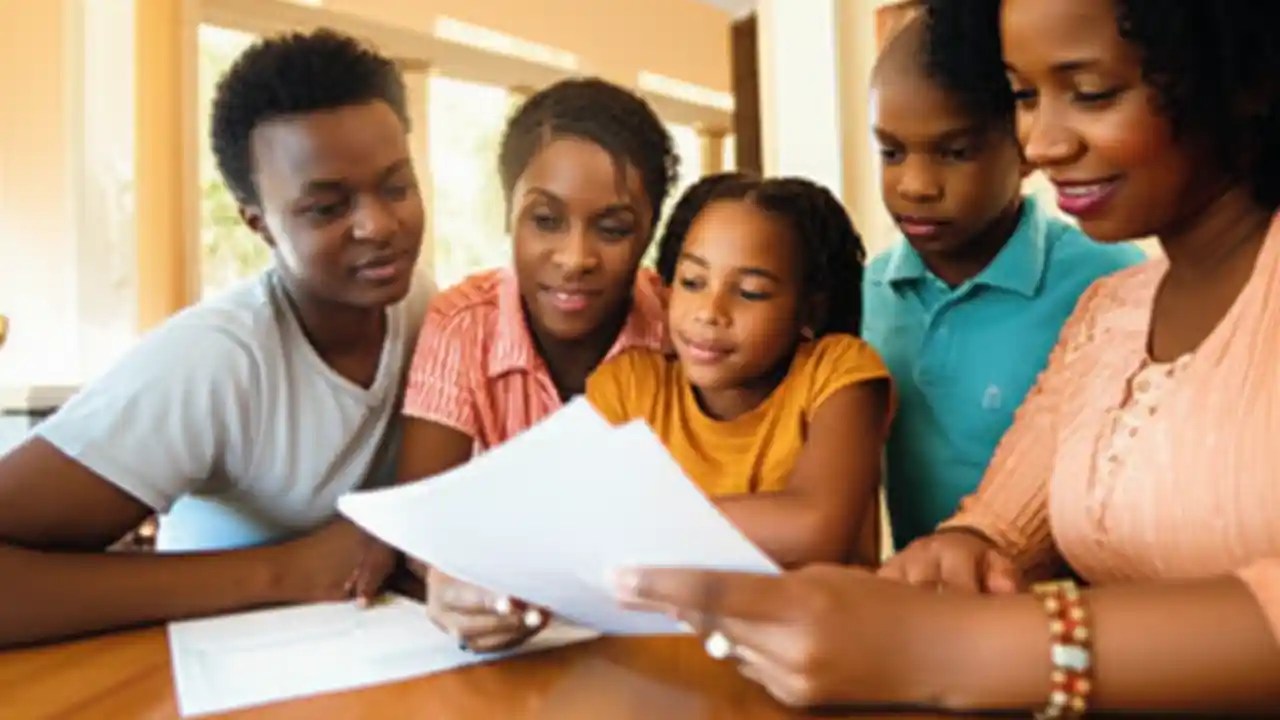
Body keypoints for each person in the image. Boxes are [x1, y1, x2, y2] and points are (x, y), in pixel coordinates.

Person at [612, 0, 1280, 713]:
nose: (1042, 142)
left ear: (1237, 73)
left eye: (1091, 94)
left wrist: (954, 646)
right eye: (1024, 97)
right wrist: (951, 556)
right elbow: (999, 525)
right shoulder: (1109, 315)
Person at [0, 29, 432, 648]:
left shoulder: (424, 308)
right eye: (327, 208)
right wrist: (281, 571)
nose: (379, 225)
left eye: (396, 186)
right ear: (258, 223)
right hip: (206, 673)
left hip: (372, 661)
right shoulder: (215, 360)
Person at [357, 78, 677, 653]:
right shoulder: (462, 323)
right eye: (546, 220)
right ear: (508, 214)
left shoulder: (685, 333)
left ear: (651, 229)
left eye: (613, 228)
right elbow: (428, 526)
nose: (575, 259)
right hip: (516, 655)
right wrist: (449, 582)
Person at [863, 14, 1142, 550]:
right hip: (923, 603)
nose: (916, 186)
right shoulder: (866, 293)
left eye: (955, 152)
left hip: (1074, 610)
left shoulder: (1109, 283)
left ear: (1024, 149)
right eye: (892, 152)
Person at [587, 176, 891, 568]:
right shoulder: (625, 387)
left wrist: (636, 527)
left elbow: (814, 530)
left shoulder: (838, 373)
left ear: (809, 310)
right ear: (666, 290)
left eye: (750, 292)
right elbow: (579, 529)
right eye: (693, 282)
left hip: (790, 629)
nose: (710, 311)